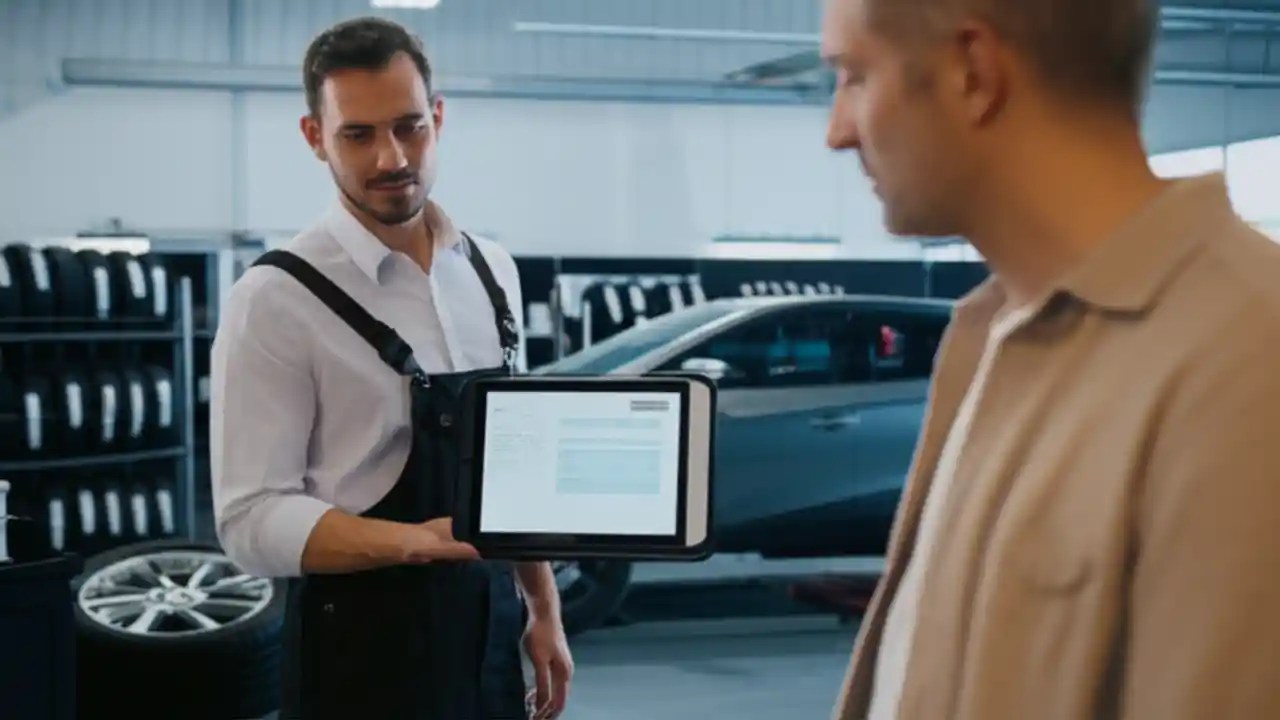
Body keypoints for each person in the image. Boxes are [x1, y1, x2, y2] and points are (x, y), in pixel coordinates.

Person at [819, 0, 1280, 718]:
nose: (836, 132)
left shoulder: (1250, 363)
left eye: (854, 77)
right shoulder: (988, 337)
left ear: (972, 70)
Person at [210, 17, 573, 720]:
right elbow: (249, 520)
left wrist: (543, 606)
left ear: (438, 117)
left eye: (410, 127)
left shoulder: (493, 273)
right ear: (315, 137)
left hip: (490, 639)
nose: (390, 157)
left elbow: (512, 464)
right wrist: (413, 543)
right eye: (358, 134)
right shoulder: (275, 298)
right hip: (359, 655)